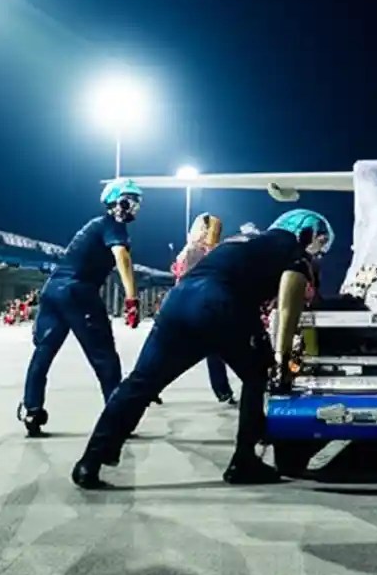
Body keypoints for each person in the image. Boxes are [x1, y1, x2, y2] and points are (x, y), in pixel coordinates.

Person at [70, 208, 333, 489]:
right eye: (318, 242)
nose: (318, 252)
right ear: (306, 233)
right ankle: (244, 460)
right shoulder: (293, 251)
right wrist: (281, 356)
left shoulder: (240, 240)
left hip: (178, 302)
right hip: (221, 303)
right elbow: (288, 303)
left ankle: (91, 460)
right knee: (258, 374)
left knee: (140, 383)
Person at [18, 179, 144, 437]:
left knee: (43, 353)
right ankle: (117, 418)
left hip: (53, 291)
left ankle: (32, 409)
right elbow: (123, 257)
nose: (136, 207)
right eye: (132, 200)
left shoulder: (93, 226)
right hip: (78, 291)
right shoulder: (112, 225)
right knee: (105, 357)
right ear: (118, 202)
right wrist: (132, 298)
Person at [164, 212, 237, 406]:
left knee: (214, 352)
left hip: (201, 309)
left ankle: (223, 391)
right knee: (175, 355)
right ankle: (148, 388)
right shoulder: (194, 251)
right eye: (213, 228)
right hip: (193, 308)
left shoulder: (207, 251)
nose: (216, 232)